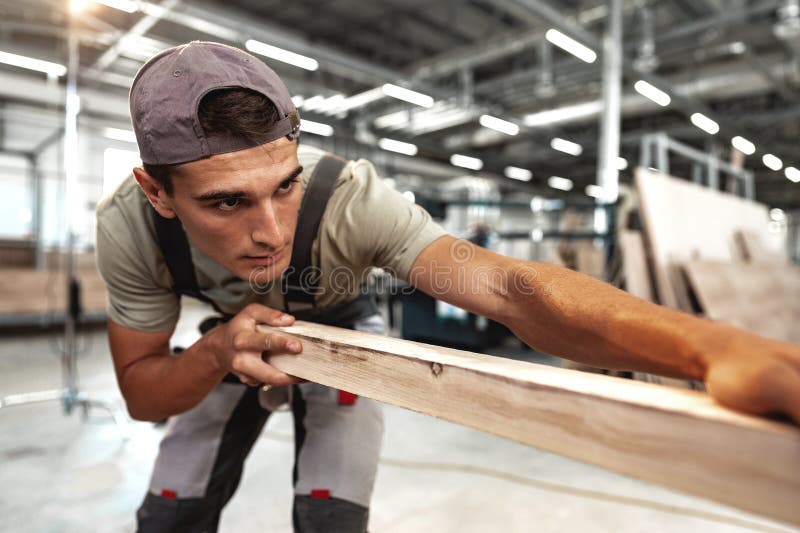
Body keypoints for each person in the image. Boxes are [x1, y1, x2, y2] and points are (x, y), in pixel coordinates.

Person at [96, 41, 800, 533]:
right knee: (169, 510)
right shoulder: (131, 229)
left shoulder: (350, 199)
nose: (272, 231)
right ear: (157, 190)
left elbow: (512, 290)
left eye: (285, 186)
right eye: (227, 203)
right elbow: (140, 389)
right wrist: (218, 352)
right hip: (229, 336)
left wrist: (708, 347)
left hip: (339, 325)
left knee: (329, 512)